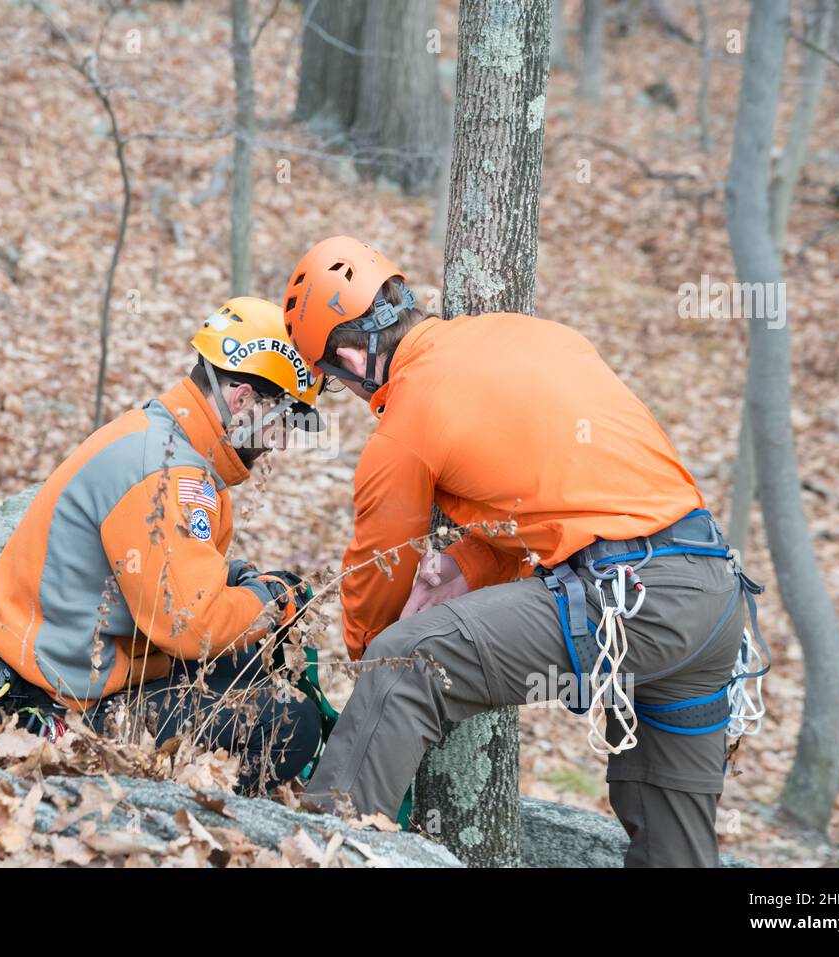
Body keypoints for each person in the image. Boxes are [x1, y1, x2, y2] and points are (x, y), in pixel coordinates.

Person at [280, 236, 767, 866]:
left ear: (349, 355)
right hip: (712, 600)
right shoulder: (529, 335)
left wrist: (367, 667)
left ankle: (320, 856)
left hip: (628, 602)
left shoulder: (406, 424)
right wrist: (470, 563)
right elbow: (554, 489)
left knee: (404, 666)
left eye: (329, 376)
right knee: (669, 833)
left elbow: (379, 571)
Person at [0, 297, 325, 791]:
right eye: (284, 420)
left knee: (250, 662)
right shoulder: (171, 471)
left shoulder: (156, 436)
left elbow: (161, 573)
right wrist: (271, 599)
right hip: (46, 701)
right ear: (242, 401)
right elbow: (189, 627)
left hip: (51, 668)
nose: (279, 442)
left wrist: (237, 581)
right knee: (289, 722)